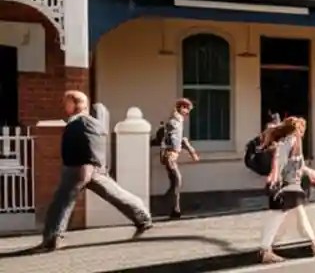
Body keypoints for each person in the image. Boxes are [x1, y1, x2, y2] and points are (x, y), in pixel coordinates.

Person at [39, 91, 153, 252]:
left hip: (80, 168)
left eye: (66, 102)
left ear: (74, 103)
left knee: (61, 202)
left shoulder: (83, 123)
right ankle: (142, 217)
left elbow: (90, 146)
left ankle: (53, 238)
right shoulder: (83, 122)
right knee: (114, 193)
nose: (63, 105)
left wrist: (87, 168)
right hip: (86, 168)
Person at [258, 117, 315, 264]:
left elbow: (299, 166)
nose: (302, 132)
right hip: (286, 187)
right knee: (277, 217)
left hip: (292, 186)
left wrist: (312, 174)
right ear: (297, 129)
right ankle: (266, 250)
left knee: (292, 217)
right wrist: (275, 176)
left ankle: (314, 244)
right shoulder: (291, 140)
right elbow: (279, 158)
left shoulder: (294, 142)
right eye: (301, 129)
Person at [159, 98, 199, 219]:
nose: (188, 113)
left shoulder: (177, 122)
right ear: (181, 108)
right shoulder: (174, 122)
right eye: (187, 109)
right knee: (177, 181)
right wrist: (166, 153)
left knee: (174, 183)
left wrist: (191, 151)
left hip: (171, 156)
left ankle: (172, 208)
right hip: (170, 156)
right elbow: (170, 140)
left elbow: (180, 139)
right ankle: (173, 209)